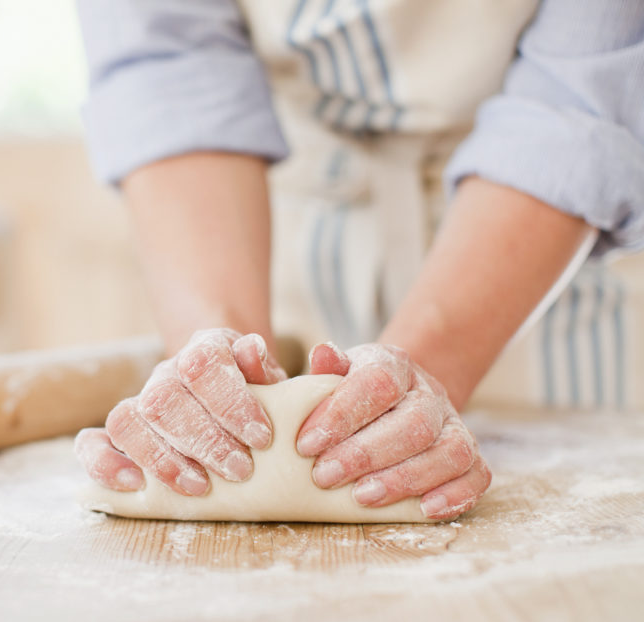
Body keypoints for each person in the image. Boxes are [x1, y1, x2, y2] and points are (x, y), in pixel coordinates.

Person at [72, 0, 644, 519]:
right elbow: (172, 61)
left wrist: (412, 396)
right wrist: (218, 374)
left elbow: (578, 98)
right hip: (278, 229)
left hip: (541, 256)